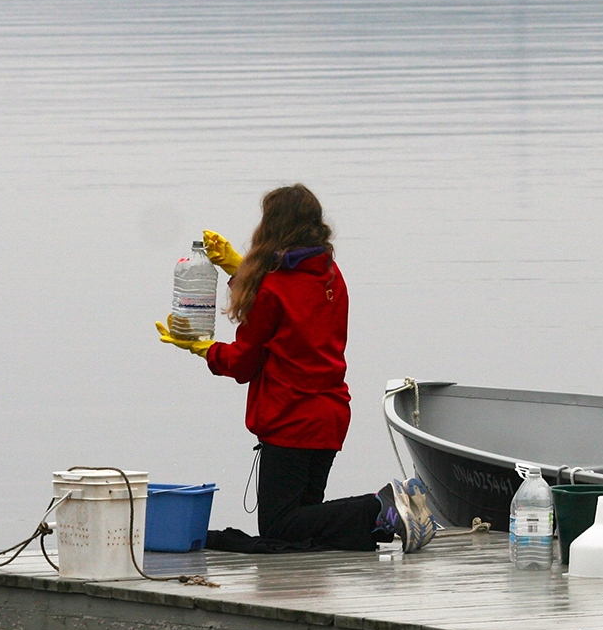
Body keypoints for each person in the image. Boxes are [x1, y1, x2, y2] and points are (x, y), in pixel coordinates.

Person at [156, 184, 435, 553]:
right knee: (305, 526)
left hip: (291, 418)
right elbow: (292, 295)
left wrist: (205, 349)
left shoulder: (271, 290)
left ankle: (380, 506)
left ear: (271, 228)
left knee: (279, 526)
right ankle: (385, 515)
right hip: (330, 415)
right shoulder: (331, 276)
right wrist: (238, 269)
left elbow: (244, 362)